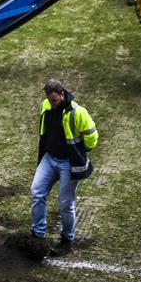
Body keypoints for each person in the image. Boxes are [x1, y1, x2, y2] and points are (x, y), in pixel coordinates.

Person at [30, 77, 99, 250]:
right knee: (37, 192)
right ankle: (38, 234)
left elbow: (92, 135)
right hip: (49, 158)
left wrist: (81, 151)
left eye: (54, 100)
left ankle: (67, 240)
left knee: (65, 203)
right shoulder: (46, 105)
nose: (51, 103)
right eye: (49, 100)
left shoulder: (77, 112)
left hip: (68, 164)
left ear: (62, 94)